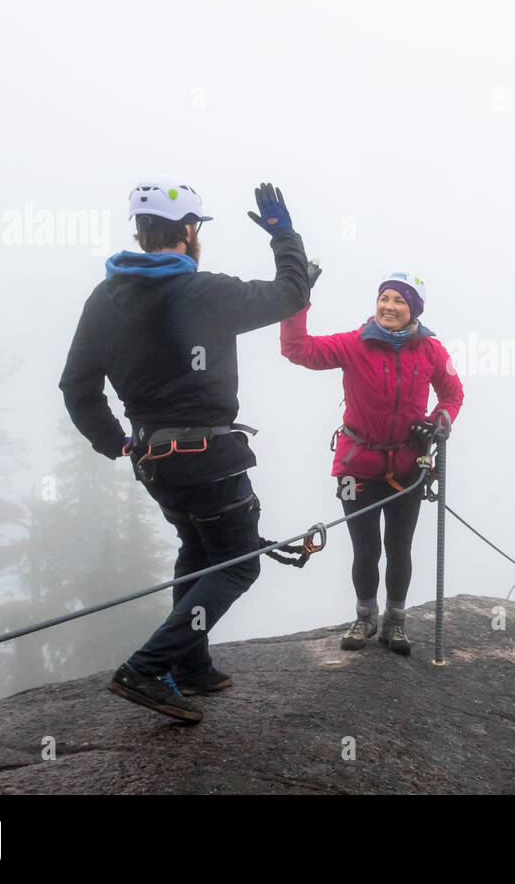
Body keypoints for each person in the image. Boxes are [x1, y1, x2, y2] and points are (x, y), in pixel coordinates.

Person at [59, 179, 310, 722]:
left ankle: (190, 665)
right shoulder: (206, 291)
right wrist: (284, 235)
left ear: (140, 231)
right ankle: (149, 668)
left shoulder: (106, 298)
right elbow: (292, 293)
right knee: (238, 564)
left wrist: (119, 443)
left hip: (154, 461)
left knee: (198, 551)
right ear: (190, 230)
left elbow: (77, 388)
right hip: (209, 458)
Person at [279, 271, 463, 655]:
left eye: (399, 301)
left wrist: (435, 425)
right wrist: (299, 297)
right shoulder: (354, 344)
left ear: (414, 309)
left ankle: (395, 623)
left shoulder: (431, 350)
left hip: (408, 466)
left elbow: (452, 393)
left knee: (399, 546)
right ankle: (365, 617)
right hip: (355, 466)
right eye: (384, 298)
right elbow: (297, 349)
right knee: (365, 548)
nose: (389, 307)